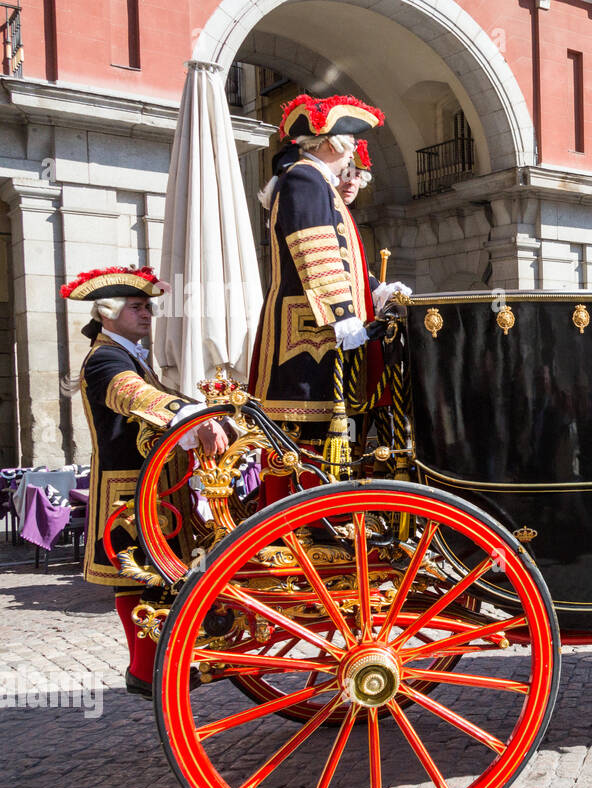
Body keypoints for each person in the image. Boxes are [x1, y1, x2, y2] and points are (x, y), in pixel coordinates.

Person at [65, 266, 227, 699]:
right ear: (108, 312)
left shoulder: (128, 353)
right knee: (137, 578)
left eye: (148, 306)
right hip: (128, 489)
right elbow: (133, 395)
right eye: (136, 307)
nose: (147, 314)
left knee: (154, 579)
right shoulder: (104, 358)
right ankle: (144, 669)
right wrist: (190, 415)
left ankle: (154, 664)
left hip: (147, 487)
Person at [248, 94, 386, 469]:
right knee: (306, 439)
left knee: (322, 436)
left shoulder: (313, 180)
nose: (352, 155)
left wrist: (377, 290)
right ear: (330, 144)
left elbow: (344, 255)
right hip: (308, 332)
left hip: (315, 326)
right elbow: (313, 248)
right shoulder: (306, 178)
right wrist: (342, 314)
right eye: (351, 145)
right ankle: (303, 521)